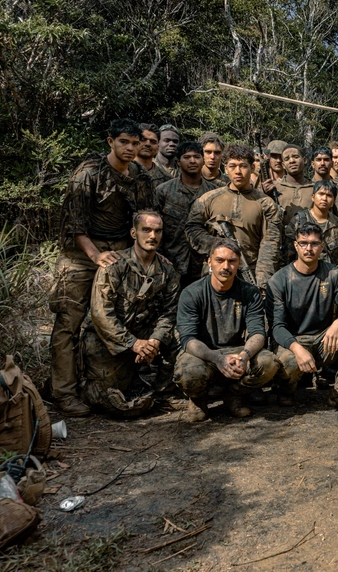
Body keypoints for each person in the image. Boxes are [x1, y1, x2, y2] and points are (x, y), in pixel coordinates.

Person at [49, 118, 155, 416]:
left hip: (121, 250)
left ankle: (112, 383)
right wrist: (95, 255)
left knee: (121, 317)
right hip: (82, 252)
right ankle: (64, 392)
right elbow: (73, 224)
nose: (131, 148)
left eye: (135, 143)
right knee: (68, 323)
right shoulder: (89, 173)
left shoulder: (140, 176)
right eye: (124, 142)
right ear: (111, 142)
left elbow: (145, 218)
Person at [80, 211, 179, 417]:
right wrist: (133, 344)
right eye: (146, 230)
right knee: (104, 397)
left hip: (144, 334)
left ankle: (164, 391)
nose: (152, 236)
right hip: (109, 338)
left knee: (180, 337)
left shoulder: (167, 271)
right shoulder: (114, 265)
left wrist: (154, 341)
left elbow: (170, 313)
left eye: (158, 231)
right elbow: (101, 314)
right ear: (134, 233)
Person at [174, 239, 278, 421]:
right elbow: (188, 339)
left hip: (237, 351)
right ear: (209, 262)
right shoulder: (192, 293)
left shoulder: (250, 292)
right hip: (204, 353)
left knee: (269, 362)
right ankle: (198, 399)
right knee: (187, 371)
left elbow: (258, 333)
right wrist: (217, 358)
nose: (225, 266)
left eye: (232, 261)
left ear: (239, 264)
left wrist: (244, 356)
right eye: (220, 260)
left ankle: (235, 394)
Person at [266, 223, 338, 413]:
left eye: (314, 244)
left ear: (322, 246)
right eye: (303, 243)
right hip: (295, 341)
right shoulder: (279, 280)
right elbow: (277, 326)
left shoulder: (334, 273)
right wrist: (297, 349)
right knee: (288, 366)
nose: (309, 248)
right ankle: (286, 388)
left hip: (324, 340)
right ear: (296, 245)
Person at [184, 143, 282, 289]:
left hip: (250, 272)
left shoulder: (266, 204)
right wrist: (217, 244)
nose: (238, 171)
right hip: (214, 273)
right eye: (232, 166)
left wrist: (262, 283)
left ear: (252, 168)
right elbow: (192, 228)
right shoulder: (208, 199)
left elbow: (270, 244)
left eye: (243, 166)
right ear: (225, 169)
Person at [155, 142, 218, 286]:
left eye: (197, 157)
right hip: (171, 262)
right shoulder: (163, 191)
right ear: (178, 162)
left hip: (204, 264)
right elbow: (156, 227)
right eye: (187, 157)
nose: (192, 161)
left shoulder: (214, 193)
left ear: (203, 160)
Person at [284, 180, 338, 269]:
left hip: (330, 273)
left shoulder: (337, 224)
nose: (324, 198)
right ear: (313, 197)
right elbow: (287, 255)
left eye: (329, 195)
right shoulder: (298, 221)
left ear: (333, 201)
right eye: (321, 194)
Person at [275, 144, 313, 227]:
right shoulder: (275, 188)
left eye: (296, 157)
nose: (292, 161)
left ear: (305, 160)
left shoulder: (315, 188)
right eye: (287, 159)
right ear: (283, 165)